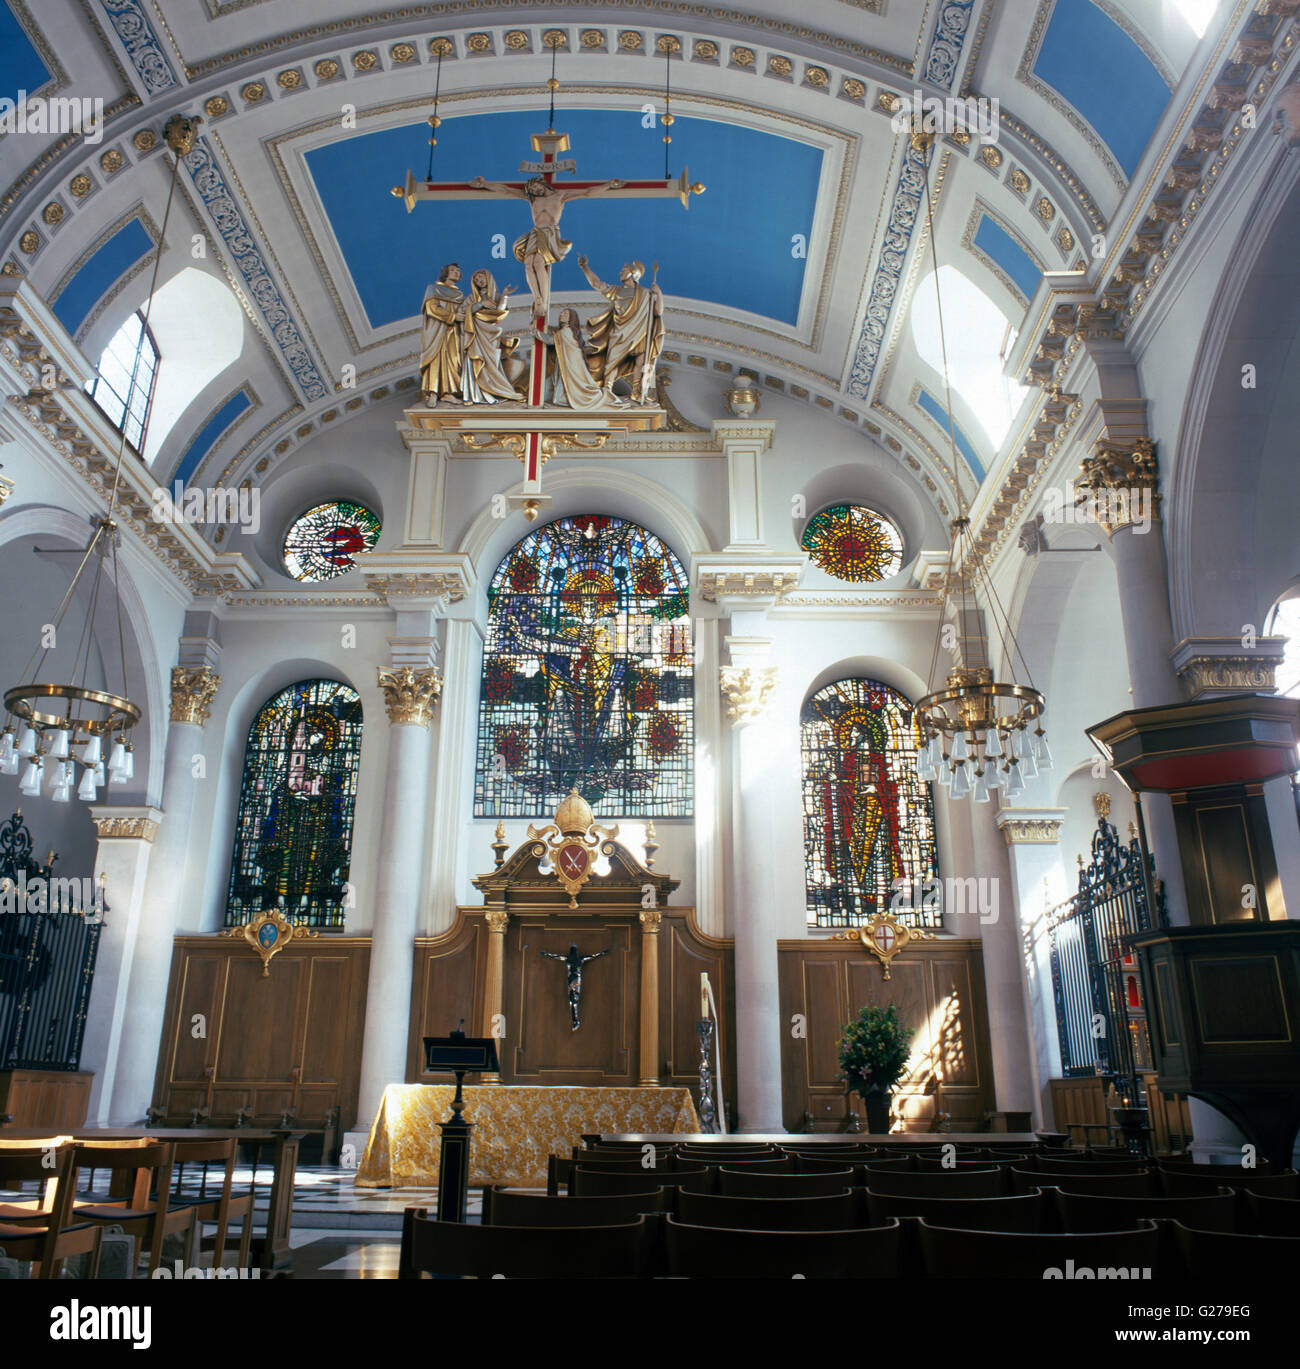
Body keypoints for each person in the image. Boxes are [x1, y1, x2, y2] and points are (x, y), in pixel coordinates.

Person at [466, 174, 625, 324]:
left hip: (549, 233)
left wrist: (609, 185)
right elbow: (507, 190)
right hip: (536, 233)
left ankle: (541, 300)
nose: (535, 191)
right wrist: (485, 184)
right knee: (529, 264)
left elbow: (587, 192)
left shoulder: (560, 195)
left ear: (541, 183)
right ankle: (538, 300)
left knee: (538, 263)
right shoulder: (531, 198)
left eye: (535, 187)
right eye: (532, 190)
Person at [577, 257, 664, 404]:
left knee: (642, 361)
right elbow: (597, 284)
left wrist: (659, 294)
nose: (621, 273)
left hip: (640, 332)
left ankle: (637, 392)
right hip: (620, 333)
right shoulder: (616, 291)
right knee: (613, 363)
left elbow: (657, 312)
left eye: (624, 270)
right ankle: (606, 391)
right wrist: (585, 267)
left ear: (633, 273)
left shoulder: (645, 294)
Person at [537, 308, 626, 409]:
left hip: (570, 366)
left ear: (571, 318)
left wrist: (535, 331)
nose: (561, 314)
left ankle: (576, 399)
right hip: (572, 366)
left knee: (568, 390)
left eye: (565, 313)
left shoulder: (564, 332)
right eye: (562, 313)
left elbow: (549, 340)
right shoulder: (570, 333)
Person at [461, 269, 523, 403]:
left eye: (481, 277)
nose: (479, 281)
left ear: (488, 277)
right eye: (476, 280)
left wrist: (505, 296)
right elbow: (462, 312)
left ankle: (496, 389)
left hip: (491, 334)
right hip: (476, 334)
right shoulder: (472, 298)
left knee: (493, 362)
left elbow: (499, 312)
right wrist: (480, 304)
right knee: (477, 360)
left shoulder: (494, 297)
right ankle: (477, 393)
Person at [419, 263, 465, 404]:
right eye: (452, 270)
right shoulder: (433, 289)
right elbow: (432, 308)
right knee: (437, 357)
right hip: (437, 331)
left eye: (458, 271)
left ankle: (448, 392)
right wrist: (452, 317)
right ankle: (433, 392)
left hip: (453, 332)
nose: (456, 273)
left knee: (453, 359)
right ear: (445, 273)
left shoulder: (459, 295)